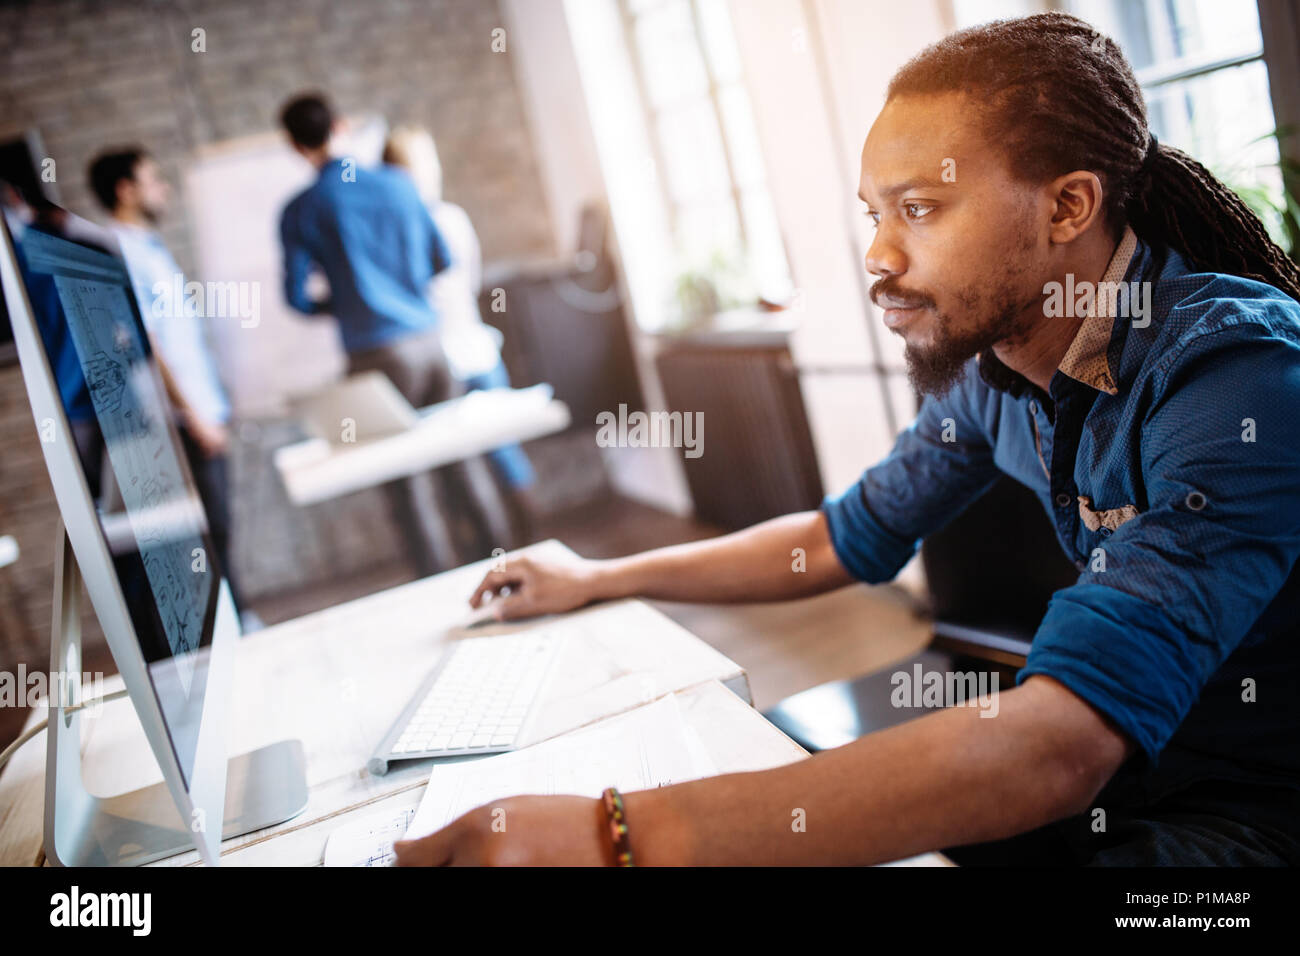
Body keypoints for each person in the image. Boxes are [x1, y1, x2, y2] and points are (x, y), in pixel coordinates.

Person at [395, 13, 1300, 866]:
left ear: (1067, 207)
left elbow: (1057, 748)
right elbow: (833, 540)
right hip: (1148, 766)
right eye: (877, 213)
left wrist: (616, 839)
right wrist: (595, 579)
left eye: (921, 209)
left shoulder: (1232, 375)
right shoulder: (999, 375)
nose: (879, 255)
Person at [277, 94, 512, 576]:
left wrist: (345, 301)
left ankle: (443, 590)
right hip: (431, 344)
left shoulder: (302, 209)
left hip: (375, 354)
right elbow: (442, 260)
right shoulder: (398, 185)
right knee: (461, 459)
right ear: (341, 127)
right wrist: (404, 289)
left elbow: (297, 298)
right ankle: (508, 570)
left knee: (405, 479)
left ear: (295, 146)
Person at [86, 148, 256, 628]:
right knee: (209, 526)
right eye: (152, 179)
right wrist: (192, 413)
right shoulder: (120, 250)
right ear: (125, 189)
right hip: (178, 415)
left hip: (200, 403)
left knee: (217, 524)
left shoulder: (147, 246)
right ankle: (232, 623)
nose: (162, 187)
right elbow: (149, 341)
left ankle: (236, 619)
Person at [381, 125, 537, 545]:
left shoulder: (430, 221)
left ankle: (524, 542)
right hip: (457, 352)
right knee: (476, 457)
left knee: (487, 454)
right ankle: (512, 544)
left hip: (459, 350)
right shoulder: (439, 219)